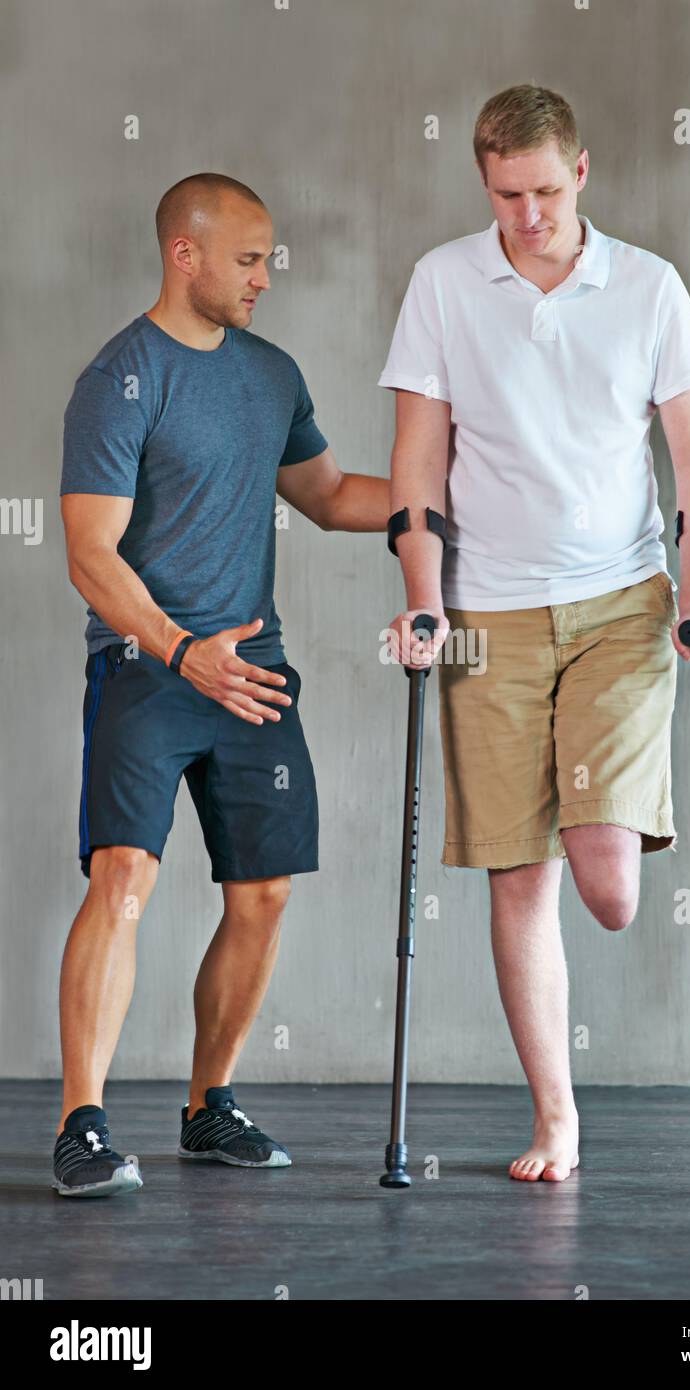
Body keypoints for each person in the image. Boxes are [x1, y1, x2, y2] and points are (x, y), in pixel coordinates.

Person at [380, 84, 690, 1183]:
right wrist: (422, 594)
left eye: (543, 190)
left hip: (621, 600)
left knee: (607, 889)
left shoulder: (646, 287)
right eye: (504, 193)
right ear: (481, 181)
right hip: (484, 609)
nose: (526, 214)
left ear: (579, 173)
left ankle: (608, 869)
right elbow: (416, 462)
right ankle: (556, 1119)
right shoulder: (445, 281)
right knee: (516, 875)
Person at [55, 173, 388, 1197]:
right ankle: (82, 1123)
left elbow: (331, 498)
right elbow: (88, 551)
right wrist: (175, 647)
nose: (264, 278)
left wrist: (463, 495)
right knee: (124, 877)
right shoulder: (120, 378)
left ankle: (210, 1106)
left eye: (269, 259)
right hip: (144, 668)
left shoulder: (271, 376)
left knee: (266, 892)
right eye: (247, 259)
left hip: (253, 672)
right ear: (183, 253)